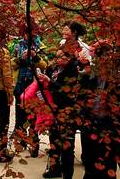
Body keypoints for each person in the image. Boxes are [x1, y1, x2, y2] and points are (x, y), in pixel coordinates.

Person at [41, 47, 81, 179]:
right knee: (54, 140)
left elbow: (67, 91)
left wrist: (50, 82)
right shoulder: (54, 69)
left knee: (67, 144)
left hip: (67, 110)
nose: (58, 60)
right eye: (57, 57)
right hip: (53, 109)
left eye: (62, 57)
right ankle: (54, 168)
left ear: (69, 59)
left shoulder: (72, 71)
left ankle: (67, 173)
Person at [11, 31, 46, 158]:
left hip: (34, 86)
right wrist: (22, 58)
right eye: (26, 32)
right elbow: (12, 64)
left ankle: (34, 145)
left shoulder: (40, 46)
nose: (28, 34)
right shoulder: (17, 45)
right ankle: (21, 141)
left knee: (33, 116)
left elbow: (45, 65)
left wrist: (35, 56)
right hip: (20, 84)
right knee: (20, 115)